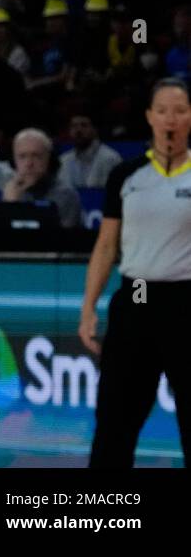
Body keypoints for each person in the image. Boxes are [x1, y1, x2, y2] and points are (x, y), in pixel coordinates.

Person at [81, 78, 191, 467]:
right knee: (114, 422)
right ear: (149, 117)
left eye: (180, 110)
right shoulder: (126, 175)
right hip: (135, 302)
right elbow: (107, 246)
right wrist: (88, 307)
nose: (171, 119)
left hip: (185, 305)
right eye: (162, 111)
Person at [0, 127, 82, 227]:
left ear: (49, 159)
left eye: (36, 156)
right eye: (22, 156)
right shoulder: (12, 191)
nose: (29, 163)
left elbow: (57, 240)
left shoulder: (66, 195)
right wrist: (9, 204)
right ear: (14, 161)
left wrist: (14, 207)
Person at [58, 113, 122, 190]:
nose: (78, 130)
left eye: (84, 125)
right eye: (74, 126)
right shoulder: (63, 160)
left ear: (94, 130)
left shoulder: (111, 158)